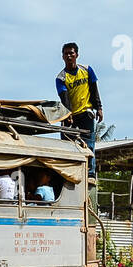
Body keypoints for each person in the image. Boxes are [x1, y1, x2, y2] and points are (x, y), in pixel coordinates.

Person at [56, 42, 103, 176]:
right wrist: (68, 114)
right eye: (66, 54)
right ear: (62, 57)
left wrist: (99, 107)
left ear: (77, 55)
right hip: (69, 114)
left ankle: (90, 173)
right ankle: (67, 171)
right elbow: (64, 97)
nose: (69, 56)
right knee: (66, 142)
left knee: (89, 143)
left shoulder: (87, 70)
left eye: (71, 53)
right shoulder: (61, 78)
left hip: (86, 112)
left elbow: (94, 90)